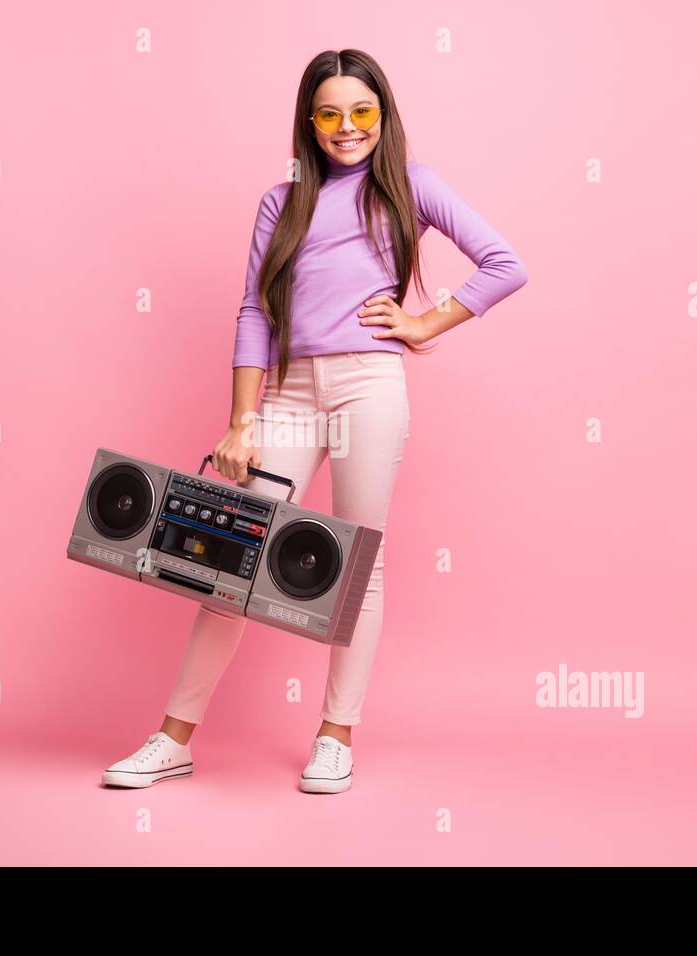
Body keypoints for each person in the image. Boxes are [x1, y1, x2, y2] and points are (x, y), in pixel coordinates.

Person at [101, 48, 528, 793]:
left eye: (362, 112)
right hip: (290, 393)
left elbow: (504, 263)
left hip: (369, 384)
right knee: (230, 557)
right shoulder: (284, 199)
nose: (347, 127)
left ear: (383, 115)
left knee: (360, 563)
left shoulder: (411, 187)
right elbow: (253, 310)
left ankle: (336, 734)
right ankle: (174, 738)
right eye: (330, 113)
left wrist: (427, 323)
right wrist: (242, 420)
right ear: (310, 120)